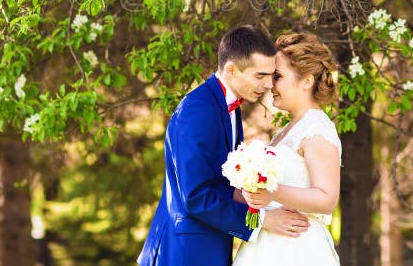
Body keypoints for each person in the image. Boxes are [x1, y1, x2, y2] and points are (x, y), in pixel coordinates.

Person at [138, 25, 311, 266]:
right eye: (259, 76)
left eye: (271, 76)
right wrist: (263, 220)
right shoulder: (198, 110)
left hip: (208, 247)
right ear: (231, 70)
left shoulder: (229, 107)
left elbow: (219, 184)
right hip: (184, 252)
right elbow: (197, 196)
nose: (269, 85)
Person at [233, 32, 342, 266]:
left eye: (278, 76)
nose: (270, 84)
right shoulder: (287, 129)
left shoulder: (317, 129)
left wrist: (271, 192)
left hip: (296, 249)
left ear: (306, 80)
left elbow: (327, 198)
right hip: (268, 244)